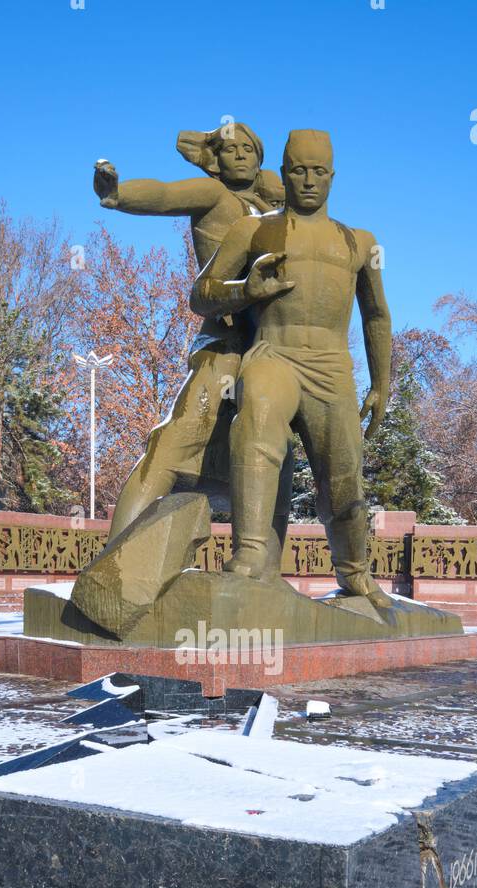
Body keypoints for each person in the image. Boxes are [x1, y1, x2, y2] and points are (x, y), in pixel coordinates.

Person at [191, 129, 392, 602]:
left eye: (318, 172)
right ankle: (250, 557)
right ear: (282, 174)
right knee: (256, 427)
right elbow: (201, 294)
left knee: (343, 475)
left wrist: (382, 383)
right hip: (273, 353)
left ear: (333, 176)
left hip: (331, 366)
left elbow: (378, 315)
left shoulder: (360, 242)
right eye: (298, 170)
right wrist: (245, 292)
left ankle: (354, 571)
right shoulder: (253, 229)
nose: (308, 181)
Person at [93, 124, 291, 570]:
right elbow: (164, 194)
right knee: (172, 447)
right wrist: (117, 194)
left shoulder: (273, 204)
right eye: (229, 150)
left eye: (249, 150)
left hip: (274, 352)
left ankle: (262, 577)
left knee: (277, 464)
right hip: (225, 343)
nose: (239, 156)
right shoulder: (215, 196)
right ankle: (113, 567)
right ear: (214, 160)